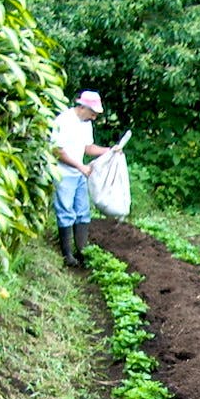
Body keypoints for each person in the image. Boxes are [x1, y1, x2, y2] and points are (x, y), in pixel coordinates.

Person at [50, 89, 118, 267]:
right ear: (83, 107)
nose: (94, 117)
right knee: (65, 212)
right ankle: (67, 255)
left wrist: (109, 150)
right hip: (63, 173)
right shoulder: (64, 121)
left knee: (82, 212)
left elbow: (88, 148)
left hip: (79, 174)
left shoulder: (86, 123)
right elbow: (57, 150)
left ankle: (82, 251)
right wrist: (80, 166)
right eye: (93, 113)